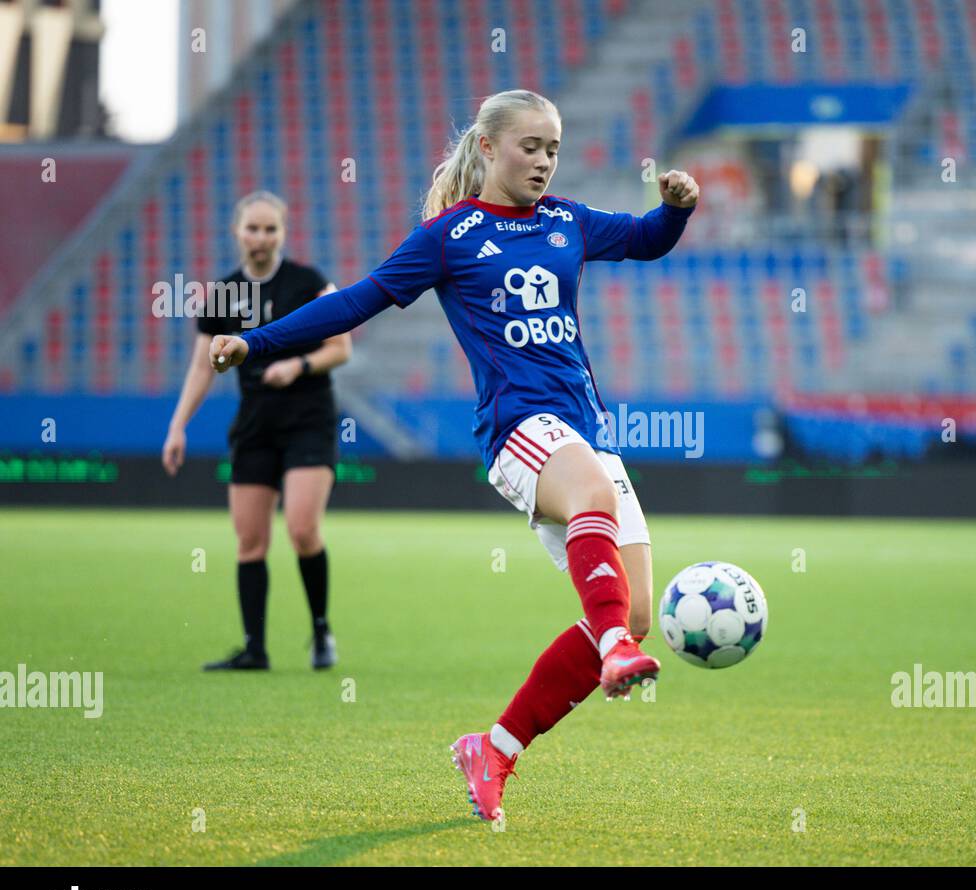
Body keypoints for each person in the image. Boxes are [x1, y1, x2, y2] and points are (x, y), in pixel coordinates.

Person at [206, 89, 697, 822]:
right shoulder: (452, 235)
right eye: (530, 146)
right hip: (519, 428)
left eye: (554, 148)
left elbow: (646, 237)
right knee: (601, 547)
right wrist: (256, 340)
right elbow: (356, 302)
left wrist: (677, 209)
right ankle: (616, 651)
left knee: (631, 609)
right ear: (490, 148)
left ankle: (495, 747)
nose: (543, 161)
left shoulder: (568, 221)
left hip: (586, 433)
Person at [163, 190, 352, 671]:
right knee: (250, 541)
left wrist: (299, 366)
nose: (262, 237)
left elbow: (341, 348)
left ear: (283, 233)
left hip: (308, 420)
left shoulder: (309, 282)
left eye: (271, 229)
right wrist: (178, 425)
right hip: (255, 426)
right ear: (237, 233)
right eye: (253, 228)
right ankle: (254, 649)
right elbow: (203, 366)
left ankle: (320, 630)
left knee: (303, 529)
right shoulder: (222, 293)